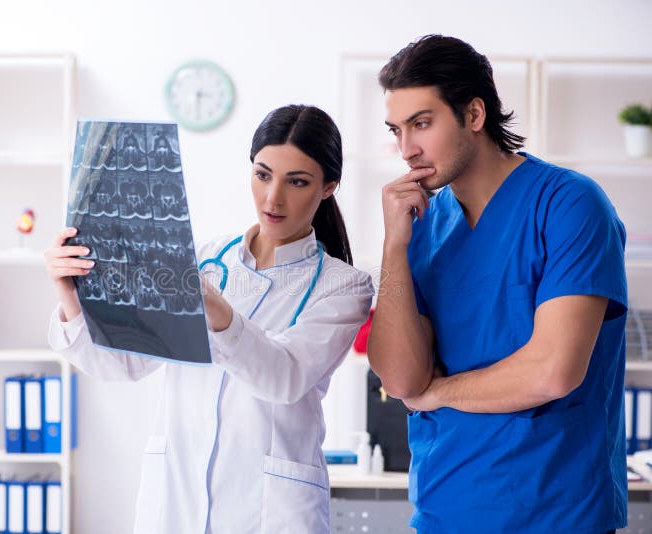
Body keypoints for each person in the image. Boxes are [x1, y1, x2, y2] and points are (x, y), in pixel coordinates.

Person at [45, 105, 374, 533]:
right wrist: (69, 296)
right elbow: (124, 364)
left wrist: (211, 304)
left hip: (269, 511)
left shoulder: (343, 286)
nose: (273, 198)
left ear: (328, 186)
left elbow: (284, 377)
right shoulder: (203, 258)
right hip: (175, 496)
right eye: (262, 174)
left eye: (297, 182)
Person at [366, 35, 627, 534]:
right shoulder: (420, 227)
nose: (407, 149)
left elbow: (553, 370)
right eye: (396, 130)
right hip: (446, 508)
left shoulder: (570, 205)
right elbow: (400, 381)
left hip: (556, 512)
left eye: (422, 124)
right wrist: (393, 248)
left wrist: (440, 392)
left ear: (475, 114)